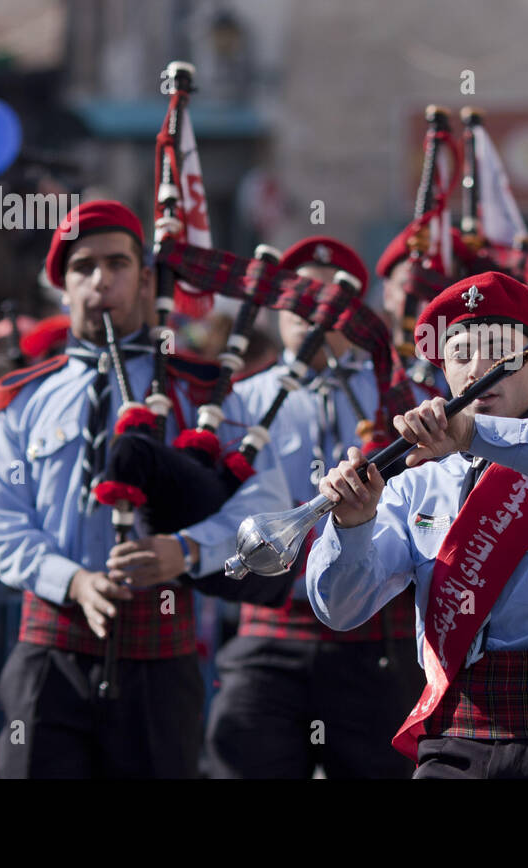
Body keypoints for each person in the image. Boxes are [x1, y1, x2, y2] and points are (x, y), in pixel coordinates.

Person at [0, 199, 292, 778]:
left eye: (117, 264)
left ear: (146, 279)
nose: (101, 281)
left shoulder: (205, 393)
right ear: (62, 286)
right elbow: (0, 523)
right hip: (51, 649)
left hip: (161, 656)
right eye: (83, 267)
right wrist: (72, 581)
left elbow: (262, 506)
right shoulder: (15, 399)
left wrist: (188, 550)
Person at [309, 271, 528, 779]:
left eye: (498, 349)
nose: (478, 369)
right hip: (455, 741)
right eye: (461, 353)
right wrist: (352, 525)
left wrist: (474, 433)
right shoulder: (412, 485)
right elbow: (339, 609)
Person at [209, 235, 424, 779]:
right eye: (299, 300)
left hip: (378, 640)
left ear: (355, 313)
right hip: (268, 634)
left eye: (328, 301)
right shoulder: (241, 400)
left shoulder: (398, 395)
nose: (312, 314)